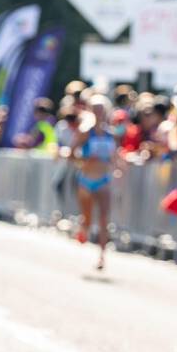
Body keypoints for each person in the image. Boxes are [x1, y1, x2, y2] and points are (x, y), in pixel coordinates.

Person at [70, 96, 118, 270]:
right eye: (96, 110)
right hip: (86, 180)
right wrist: (84, 159)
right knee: (88, 220)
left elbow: (115, 157)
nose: (99, 113)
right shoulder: (85, 132)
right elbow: (72, 154)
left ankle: (102, 257)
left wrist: (119, 166)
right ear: (91, 111)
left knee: (104, 219)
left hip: (103, 180)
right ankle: (84, 229)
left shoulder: (110, 134)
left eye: (102, 110)